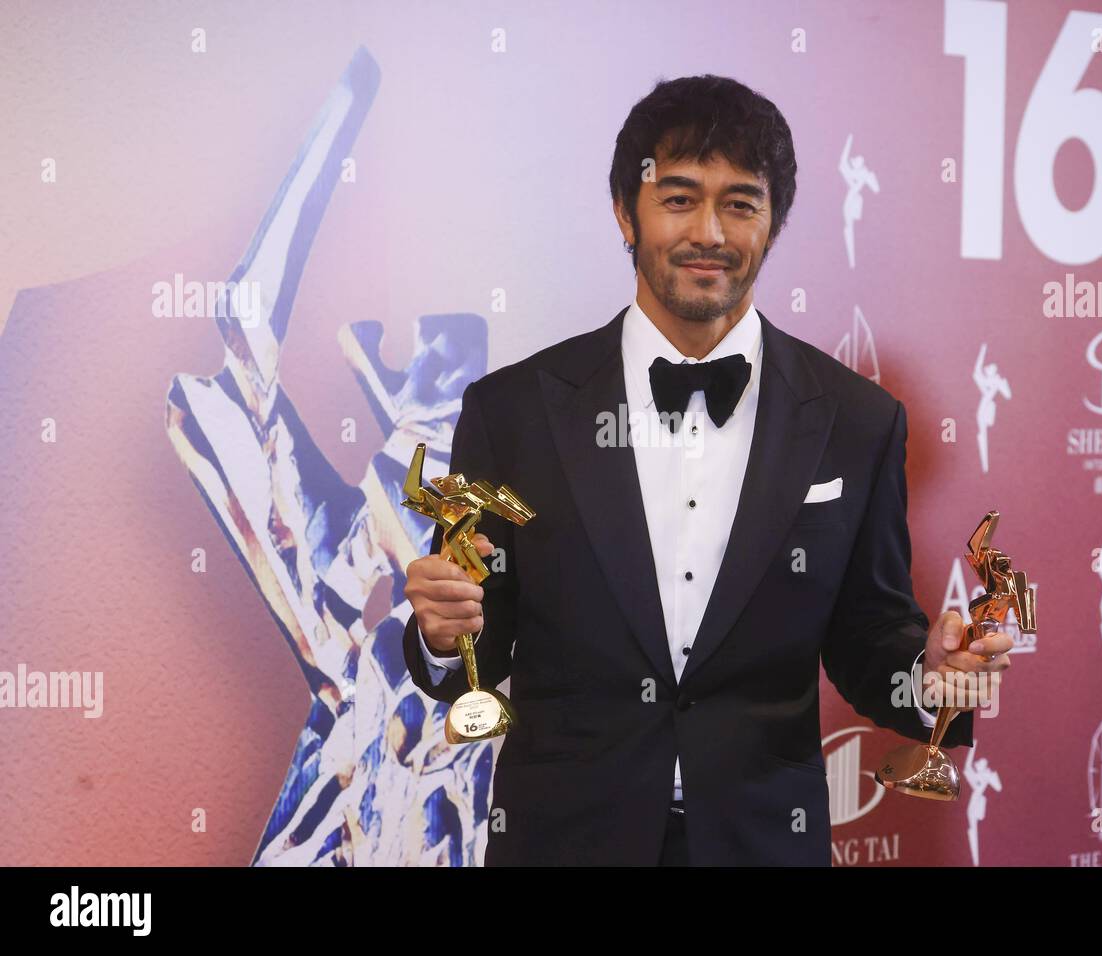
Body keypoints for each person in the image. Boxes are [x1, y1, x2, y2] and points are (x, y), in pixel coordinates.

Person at [402, 74, 1012, 866]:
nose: (710, 233)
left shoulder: (855, 419)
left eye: (741, 203)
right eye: (679, 198)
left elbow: (870, 634)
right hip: (566, 842)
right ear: (627, 213)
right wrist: (446, 638)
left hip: (763, 841)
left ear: (774, 222)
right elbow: (487, 641)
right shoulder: (512, 412)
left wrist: (931, 676)